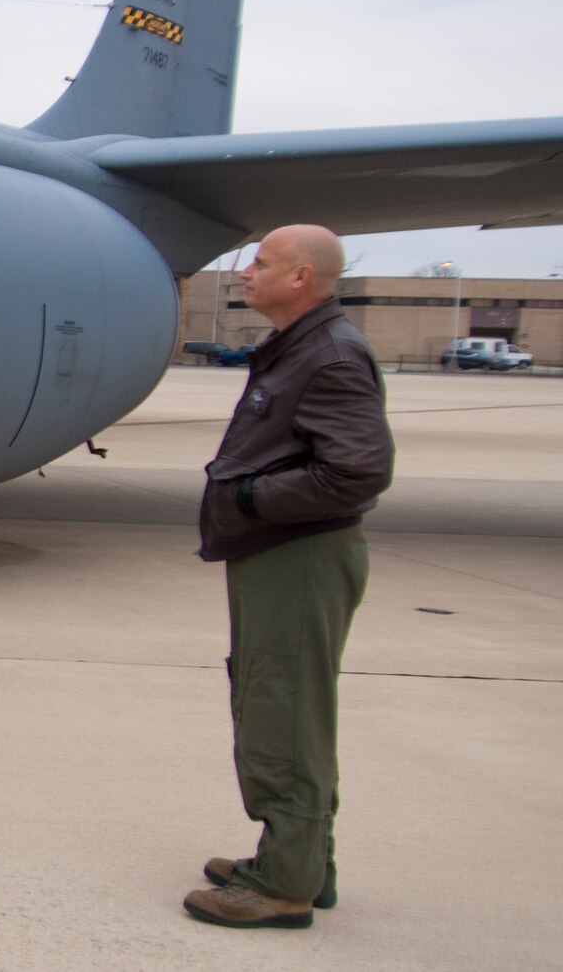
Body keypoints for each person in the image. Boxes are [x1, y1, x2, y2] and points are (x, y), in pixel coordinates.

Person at [183, 225, 393, 931]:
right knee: (281, 699)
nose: (247, 271)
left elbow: (358, 471)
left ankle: (284, 884)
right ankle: (303, 861)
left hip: (299, 554)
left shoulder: (329, 355)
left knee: (285, 707)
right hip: (282, 550)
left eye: (262, 262)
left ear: (301, 276)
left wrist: (249, 500)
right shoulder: (302, 346)